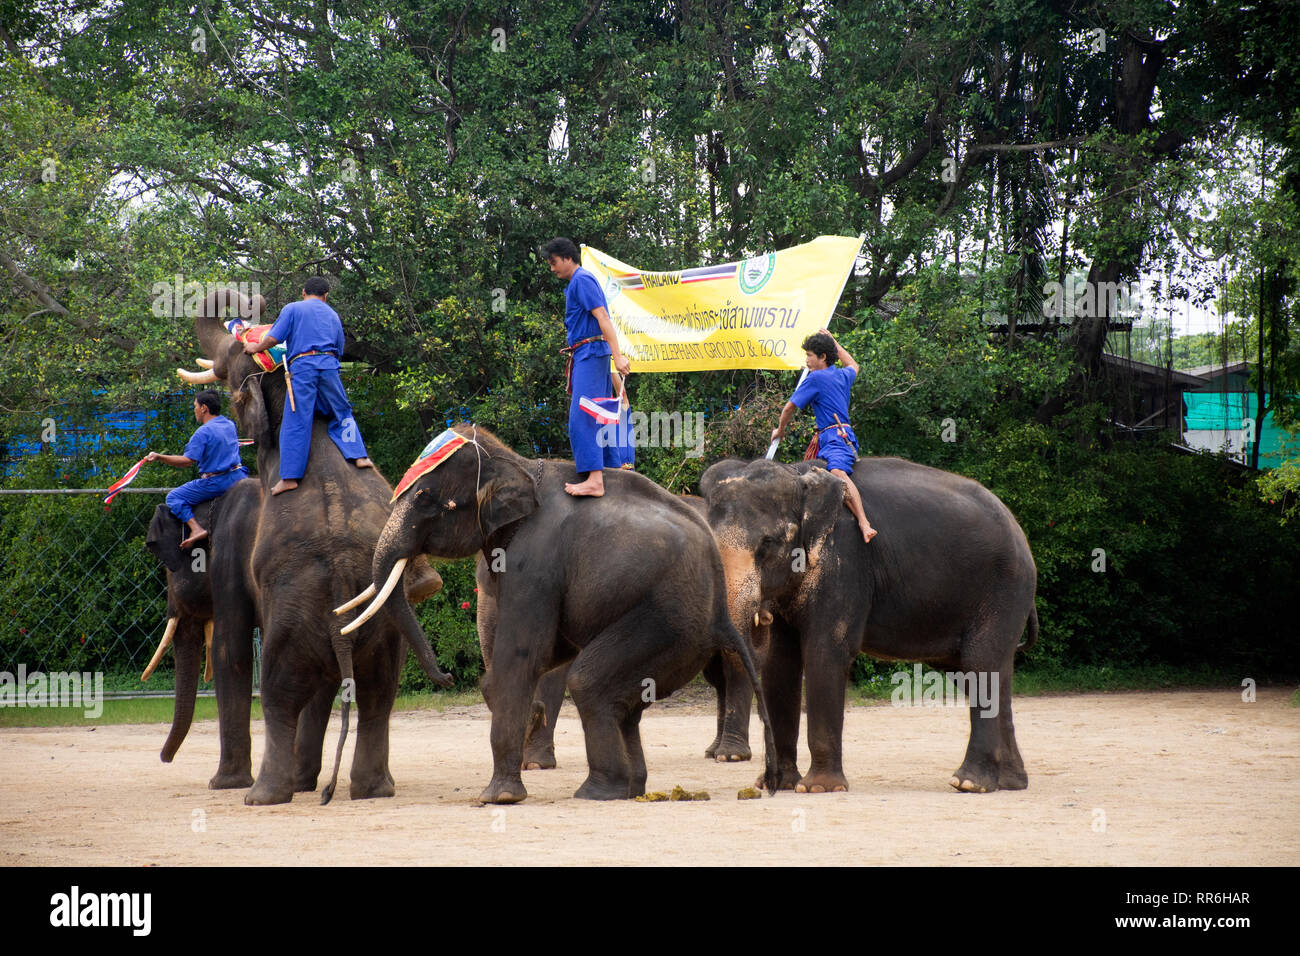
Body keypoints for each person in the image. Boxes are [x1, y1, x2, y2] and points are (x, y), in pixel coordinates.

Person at [243, 277, 373, 496]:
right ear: (326, 296)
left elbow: (273, 338)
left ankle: (290, 477)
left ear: (303, 292)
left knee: (296, 417)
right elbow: (340, 348)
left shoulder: (293, 308)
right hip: (330, 365)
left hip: (303, 366)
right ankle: (359, 456)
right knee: (342, 411)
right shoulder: (332, 314)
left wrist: (255, 346)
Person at [541, 237, 632, 496]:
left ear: (568, 258)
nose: (552, 268)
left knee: (583, 415)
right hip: (589, 353)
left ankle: (594, 479)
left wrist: (618, 356)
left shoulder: (582, 280)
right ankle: (613, 474)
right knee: (601, 414)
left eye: (554, 262)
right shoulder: (575, 284)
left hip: (591, 353)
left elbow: (603, 317)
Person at [770, 328, 877, 543]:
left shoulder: (815, 378)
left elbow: (789, 408)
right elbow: (854, 365)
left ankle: (864, 523)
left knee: (837, 472)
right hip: (830, 437)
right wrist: (834, 341)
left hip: (836, 438)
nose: (807, 360)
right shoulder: (841, 374)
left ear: (822, 357)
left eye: (810, 355)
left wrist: (780, 430)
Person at [147, 390, 250, 548]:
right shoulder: (229, 424)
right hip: (238, 476)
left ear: (204, 408)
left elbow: (187, 461)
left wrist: (159, 457)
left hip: (218, 482)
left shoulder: (203, 432)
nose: (193, 409)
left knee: (174, 497)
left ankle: (196, 529)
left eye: (195, 406)